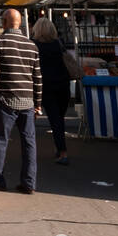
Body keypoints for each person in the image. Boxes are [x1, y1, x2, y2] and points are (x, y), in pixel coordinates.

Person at [0, 8, 42, 194]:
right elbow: (37, 77)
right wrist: (38, 102)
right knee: (29, 142)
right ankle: (29, 183)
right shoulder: (32, 46)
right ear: (19, 23)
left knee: (0, 140)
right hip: (28, 100)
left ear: (4, 23)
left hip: (5, 99)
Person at [32, 16, 71, 166]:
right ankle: (59, 147)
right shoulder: (58, 44)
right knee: (59, 118)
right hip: (63, 84)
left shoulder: (34, 45)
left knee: (55, 120)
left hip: (46, 86)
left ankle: (62, 152)